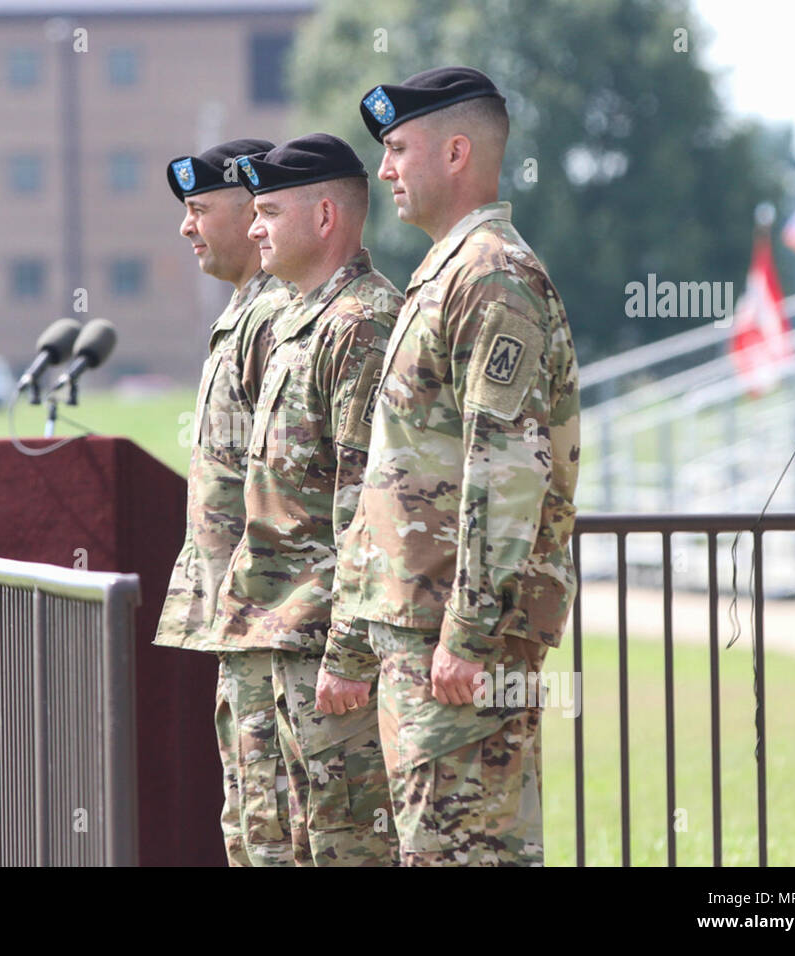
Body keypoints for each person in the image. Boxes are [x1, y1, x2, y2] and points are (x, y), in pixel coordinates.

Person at [323, 66, 581, 866]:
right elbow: (397, 476)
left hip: (458, 645)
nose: (387, 169)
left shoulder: (491, 276)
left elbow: (505, 469)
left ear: (457, 151)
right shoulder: (445, 272)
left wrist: (468, 635)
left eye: (399, 149)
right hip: (418, 633)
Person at [211, 133, 402, 866]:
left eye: (268, 211)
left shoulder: (361, 323)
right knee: (276, 846)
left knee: (344, 848)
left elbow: (366, 506)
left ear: (325, 216)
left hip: (328, 649)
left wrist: (352, 651)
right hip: (276, 635)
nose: (253, 228)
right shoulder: (294, 318)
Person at [153, 138, 296, 867]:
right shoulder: (248, 310)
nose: (186, 227)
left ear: (250, 214)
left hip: (280, 623)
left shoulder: (279, 316)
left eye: (200, 209)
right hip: (244, 622)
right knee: (249, 828)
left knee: (277, 833)